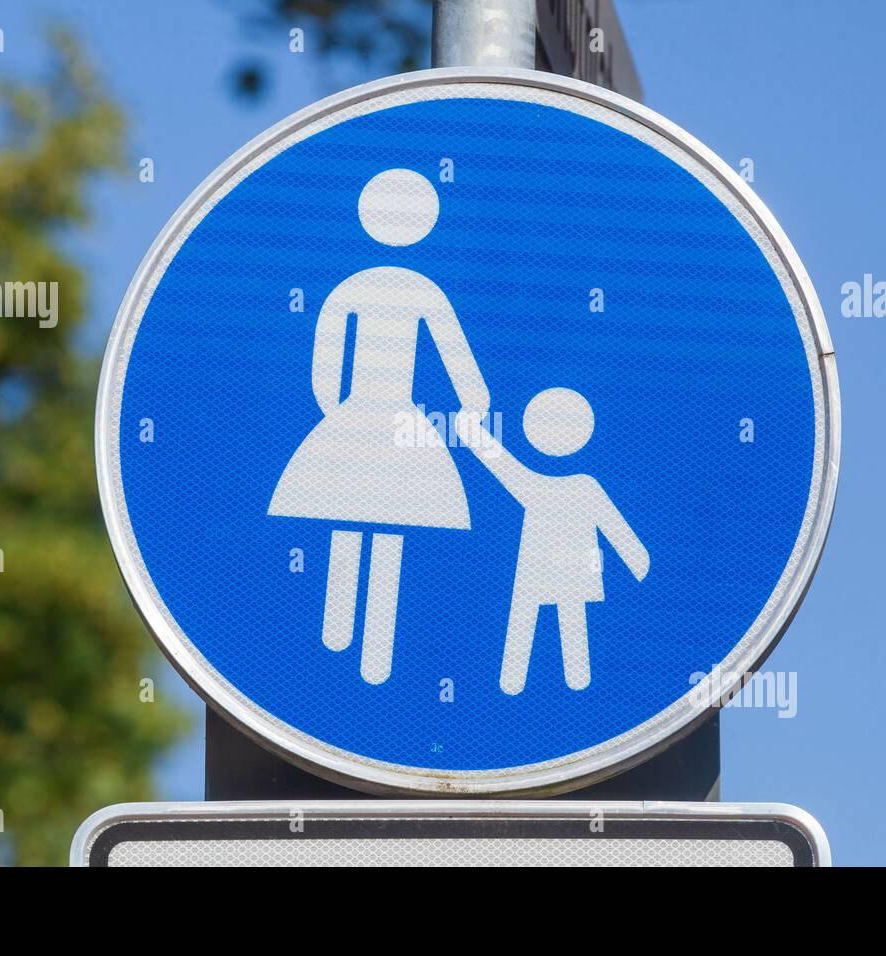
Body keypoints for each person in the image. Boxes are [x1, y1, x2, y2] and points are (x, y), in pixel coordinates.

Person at [269, 168, 488, 685]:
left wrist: (336, 415)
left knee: (355, 518)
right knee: (389, 525)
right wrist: (473, 403)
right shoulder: (419, 289)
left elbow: (325, 364)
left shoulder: (355, 286)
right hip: (395, 421)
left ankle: (345, 640)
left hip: (356, 416)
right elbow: (460, 363)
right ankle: (366, 655)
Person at [456, 388, 649, 694]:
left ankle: (520, 685)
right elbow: (617, 529)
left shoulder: (546, 487)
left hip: (548, 570)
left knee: (542, 621)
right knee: (556, 620)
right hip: (557, 571)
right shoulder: (579, 486)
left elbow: (502, 464)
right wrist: (638, 561)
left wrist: (468, 430)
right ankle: (547, 684)